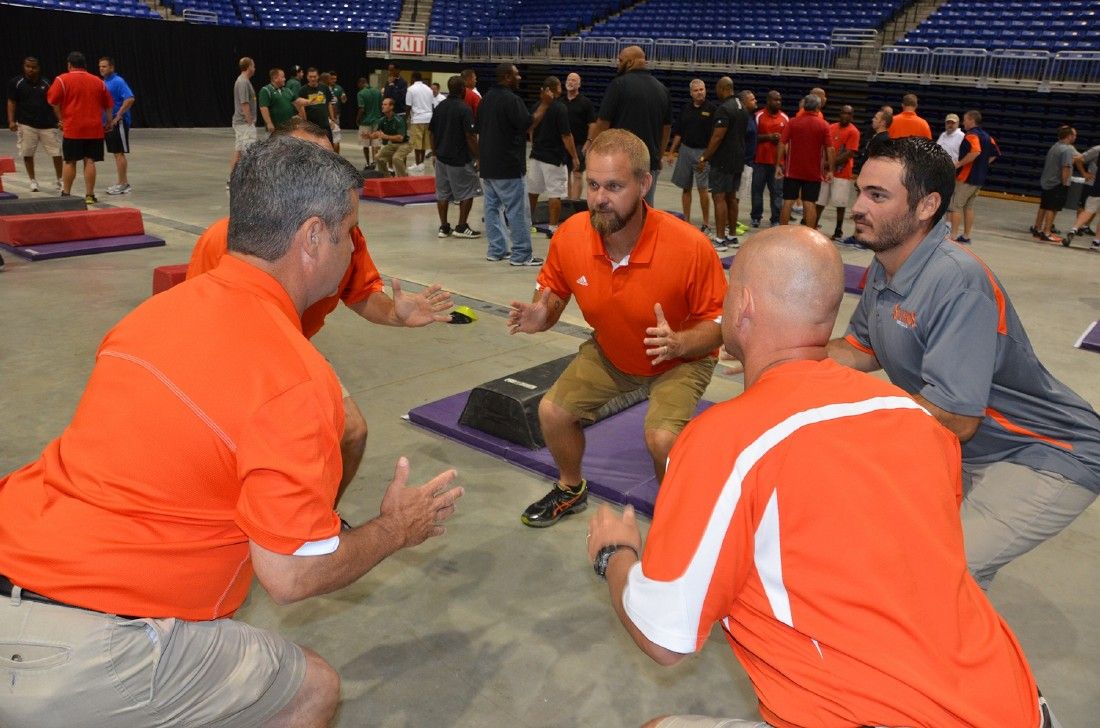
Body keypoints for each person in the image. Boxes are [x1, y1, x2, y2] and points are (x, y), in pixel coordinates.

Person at [0, 134, 464, 728]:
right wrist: (397, 528)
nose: (354, 250)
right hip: (78, 654)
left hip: (20, 560)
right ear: (313, 237)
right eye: (349, 232)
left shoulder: (150, 317)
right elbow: (291, 577)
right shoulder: (292, 379)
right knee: (312, 689)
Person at [586, 225, 1052, 728]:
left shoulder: (726, 440)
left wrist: (617, 555)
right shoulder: (913, 416)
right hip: (1016, 703)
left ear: (742, 305)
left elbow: (663, 637)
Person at [828, 136, 1100, 590]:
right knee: (900, 559)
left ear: (926, 206)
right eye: (860, 191)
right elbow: (860, 349)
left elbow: (955, 416)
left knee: (948, 573)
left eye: (877, 196)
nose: (858, 206)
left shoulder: (956, 281)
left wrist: (854, 418)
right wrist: (779, 350)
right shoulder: (887, 264)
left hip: (1044, 451)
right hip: (971, 448)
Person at [187, 117, 454, 504]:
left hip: (294, 347)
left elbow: (360, 295)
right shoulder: (224, 240)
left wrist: (397, 314)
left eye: (327, 162)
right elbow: (204, 329)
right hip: (237, 356)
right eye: (303, 161)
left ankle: (319, 523)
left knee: (352, 432)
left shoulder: (344, 235)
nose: (321, 175)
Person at [508, 129, 725, 528]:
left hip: (680, 360)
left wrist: (679, 343)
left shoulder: (690, 247)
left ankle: (674, 522)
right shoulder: (571, 235)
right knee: (553, 412)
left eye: (614, 186)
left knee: (662, 440)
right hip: (611, 351)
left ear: (644, 184)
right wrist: (543, 315)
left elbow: (718, 324)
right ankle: (571, 488)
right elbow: (552, 293)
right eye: (592, 185)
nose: (600, 198)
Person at [478, 62, 551, 266]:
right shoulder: (511, 100)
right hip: (508, 165)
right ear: (508, 77)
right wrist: (544, 104)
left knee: (492, 209)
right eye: (517, 75)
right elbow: (528, 124)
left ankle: (497, 250)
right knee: (517, 210)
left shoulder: (486, 99)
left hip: (488, 165)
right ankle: (521, 254)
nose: (520, 78)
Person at [589, 45, 671, 207]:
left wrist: (594, 151)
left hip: (620, 162)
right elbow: (666, 129)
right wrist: (658, 155)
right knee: (644, 210)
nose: (617, 64)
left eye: (621, 61)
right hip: (649, 163)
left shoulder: (618, 85)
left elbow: (603, 123)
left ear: (631, 62)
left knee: (617, 210)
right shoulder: (662, 89)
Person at [46, 51, 111, 205]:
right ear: (85, 65)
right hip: (94, 129)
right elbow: (108, 104)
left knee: (70, 161)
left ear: (69, 64)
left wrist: (61, 119)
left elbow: (52, 101)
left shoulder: (62, 79)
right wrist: (109, 122)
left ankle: (66, 194)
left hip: (73, 128)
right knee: (90, 161)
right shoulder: (98, 81)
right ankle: (89, 195)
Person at [695, 77, 747, 251]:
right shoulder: (742, 106)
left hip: (723, 160)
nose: (716, 92)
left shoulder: (724, 109)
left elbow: (717, 137)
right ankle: (732, 236)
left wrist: (704, 158)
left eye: (717, 88)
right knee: (732, 198)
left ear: (724, 88)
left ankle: (719, 238)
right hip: (738, 159)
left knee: (719, 198)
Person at [430, 75, 481, 239]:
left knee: (442, 194)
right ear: (462, 90)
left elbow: (431, 132)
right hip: (460, 159)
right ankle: (461, 226)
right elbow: (470, 136)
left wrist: (435, 152)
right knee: (468, 192)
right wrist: (479, 156)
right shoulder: (464, 108)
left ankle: (444, 227)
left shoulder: (440, 107)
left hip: (442, 158)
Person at [526, 76, 579, 236]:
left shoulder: (537, 105)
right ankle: (553, 227)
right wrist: (575, 156)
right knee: (555, 193)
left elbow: (530, 129)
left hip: (536, 155)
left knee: (533, 191)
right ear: (556, 89)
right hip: (554, 157)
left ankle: (527, 223)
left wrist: (535, 143)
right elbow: (566, 135)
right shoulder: (560, 108)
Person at [664, 78, 715, 235]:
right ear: (691, 93)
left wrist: (706, 157)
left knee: (702, 189)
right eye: (696, 90)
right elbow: (679, 132)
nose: (699, 92)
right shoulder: (685, 108)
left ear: (705, 90)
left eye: (702, 89)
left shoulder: (712, 109)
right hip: (685, 150)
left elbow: (715, 137)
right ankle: (686, 220)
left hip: (702, 152)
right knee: (685, 188)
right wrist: (672, 151)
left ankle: (706, 223)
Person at [776, 93, 833, 229]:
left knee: (788, 201)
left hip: (792, 170)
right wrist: (830, 170)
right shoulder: (824, 125)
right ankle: (810, 234)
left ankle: (782, 231)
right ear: (818, 107)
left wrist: (778, 164)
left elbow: (781, 143)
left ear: (804, 106)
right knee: (810, 202)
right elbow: (830, 149)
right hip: (813, 172)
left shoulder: (793, 122)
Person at [6, 56, 62, 193]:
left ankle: (60, 179)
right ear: (24, 67)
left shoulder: (47, 82)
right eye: (28, 67)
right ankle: (33, 181)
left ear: (38, 68)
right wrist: (11, 121)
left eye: (33, 67)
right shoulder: (16, 82)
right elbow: (11, 102)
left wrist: (61, 119)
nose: (30, 69)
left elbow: (54, 103)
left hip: (48, 124)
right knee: (27, 153)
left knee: (57, 153)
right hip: (26, 124)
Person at [949, 109, 1000, 245]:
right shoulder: (987, 136)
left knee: (956, 206)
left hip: (967, 177)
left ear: (971, 120)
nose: (964, 122)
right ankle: (966, 236)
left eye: (965, 119)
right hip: (980, 178)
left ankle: (952, 236)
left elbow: (975, 152)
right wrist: (983, 164)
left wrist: (959, 164)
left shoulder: (971, 135)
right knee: (969, 207)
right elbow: (996, 152)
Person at [815, 104, 860, 242]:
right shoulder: (831, 127)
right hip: (826, 171)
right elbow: (824, 147)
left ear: (851, 116)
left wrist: (830, 164)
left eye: (848, 114)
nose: (845, 116)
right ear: (840, 114)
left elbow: (849, 153)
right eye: (843, 113)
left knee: (840, 204)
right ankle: (813, 225)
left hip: (842, 173)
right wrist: (825, 164)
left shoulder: (854, 131)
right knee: (820, 201)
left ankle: (838, 229)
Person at [1031, 125, 1080, 243]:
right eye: (1074, 135)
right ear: (1069, 136)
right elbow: (1066, 167)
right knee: (1052, 208)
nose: (1075, 137)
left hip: (1047, 181)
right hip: (1057, 183)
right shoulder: (1067, 149)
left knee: (1044, 206)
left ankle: (1037, 228)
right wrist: (1064, 183)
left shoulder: (1055, 146)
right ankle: (1047, 232)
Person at [97, 56, 134, 196]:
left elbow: (130, 98)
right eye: (100, 66)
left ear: (111, 67)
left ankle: (123, 184)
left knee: (119, 153)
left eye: (104, 66)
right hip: (108, 123)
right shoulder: (104, 82)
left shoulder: (118, 81)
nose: (101, 69)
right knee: (115, 152)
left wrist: (118, 116)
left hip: (118, 123)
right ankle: (121, 182)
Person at [750, 90, 787, 228]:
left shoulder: (785, 118)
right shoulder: (758, 116)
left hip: (778, 163)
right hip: (759, 161)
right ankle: (756, 217)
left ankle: (775, 219)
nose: (778, 102)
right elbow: (752, 137)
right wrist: (769, 137)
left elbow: (788, 141)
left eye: (779, 100)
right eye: (775, 100)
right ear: (768, 101)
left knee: (777, 192)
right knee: (757, 190)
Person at [563, 71, 596, 200]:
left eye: (574, 80)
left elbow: (592, 124)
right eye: (569, 79)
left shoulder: (585, 102)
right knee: (565, 174)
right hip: (564, 144)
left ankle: (574, 202)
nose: (570, 82)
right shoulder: (560, 102)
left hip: (580, 144)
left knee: (577, 173)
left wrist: (589, 142)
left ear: (579, 84)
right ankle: (567, 202)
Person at [228, 57, 256, 181]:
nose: (254, 68)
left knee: (239, 152)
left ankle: (232, 179)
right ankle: (247, 180)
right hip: (244, 123)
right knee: (249, 151)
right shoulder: (243, 82)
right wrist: (250, 121)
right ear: (249, 67)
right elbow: (244, 103)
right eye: (253, 66)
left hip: (241, 123)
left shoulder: (243, 81)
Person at [372, 97, 411, 177]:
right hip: (392, 144)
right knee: (378, 157)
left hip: (405, 144)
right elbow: (376, 133)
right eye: (382, 104)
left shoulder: (399, 120)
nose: (382, 106)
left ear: (391, 107)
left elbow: (400, 138)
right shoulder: (382, 120)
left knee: (396, 158)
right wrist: (369, 135)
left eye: (385, 104)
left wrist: (386, 137)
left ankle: (403, 178)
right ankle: (386, 178)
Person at [295, 68, 335, 144]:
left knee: (328, 146)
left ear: (318, 76)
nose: (313, 78)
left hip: (324, 124)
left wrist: (332, 118)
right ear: (307, 77)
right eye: (310, 76)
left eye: (314, 76)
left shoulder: (324, 88)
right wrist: (304, 121)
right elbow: (301, 107)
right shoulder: (303, 90)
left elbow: (329, 103)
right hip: (311, 125)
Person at [406, 71, 434, 171]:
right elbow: (431, 105)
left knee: (417, 143)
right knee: (424, 143)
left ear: (413, 78)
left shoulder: (411, 89)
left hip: (417, 119)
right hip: (428, 118)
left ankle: (418, 164)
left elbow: (408, 106)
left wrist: (406, 119)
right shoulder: (429, 89)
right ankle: (421, 163)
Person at [258, 67, 296, 135]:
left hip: (288, 129)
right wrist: (269, 123)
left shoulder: (287, 91)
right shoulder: (266, 90)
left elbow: (297, 101)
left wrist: (309, 101)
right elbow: (263, 108)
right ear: (275, 78)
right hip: (275, 130)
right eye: (283, 77)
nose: (285, 79)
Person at [356, 74, 383, 167]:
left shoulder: (361, 93)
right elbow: (381, 106)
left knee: (365, 144)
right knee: (376, 144)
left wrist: (357, 119)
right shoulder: (377, 92)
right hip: (377, 120)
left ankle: (367, 163)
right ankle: (375, 162)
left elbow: (362, 109)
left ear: (361, 83)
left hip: (365, 122)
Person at [325, 71, 346, 153]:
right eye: (332, 79)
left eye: (335, 79)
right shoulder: (324, 88)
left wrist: (343, 98)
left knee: (336, 138)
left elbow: (344, 100)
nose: (333, 80)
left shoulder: (339, 88)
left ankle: (337, 156)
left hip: (335, 116)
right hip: (326, 116)